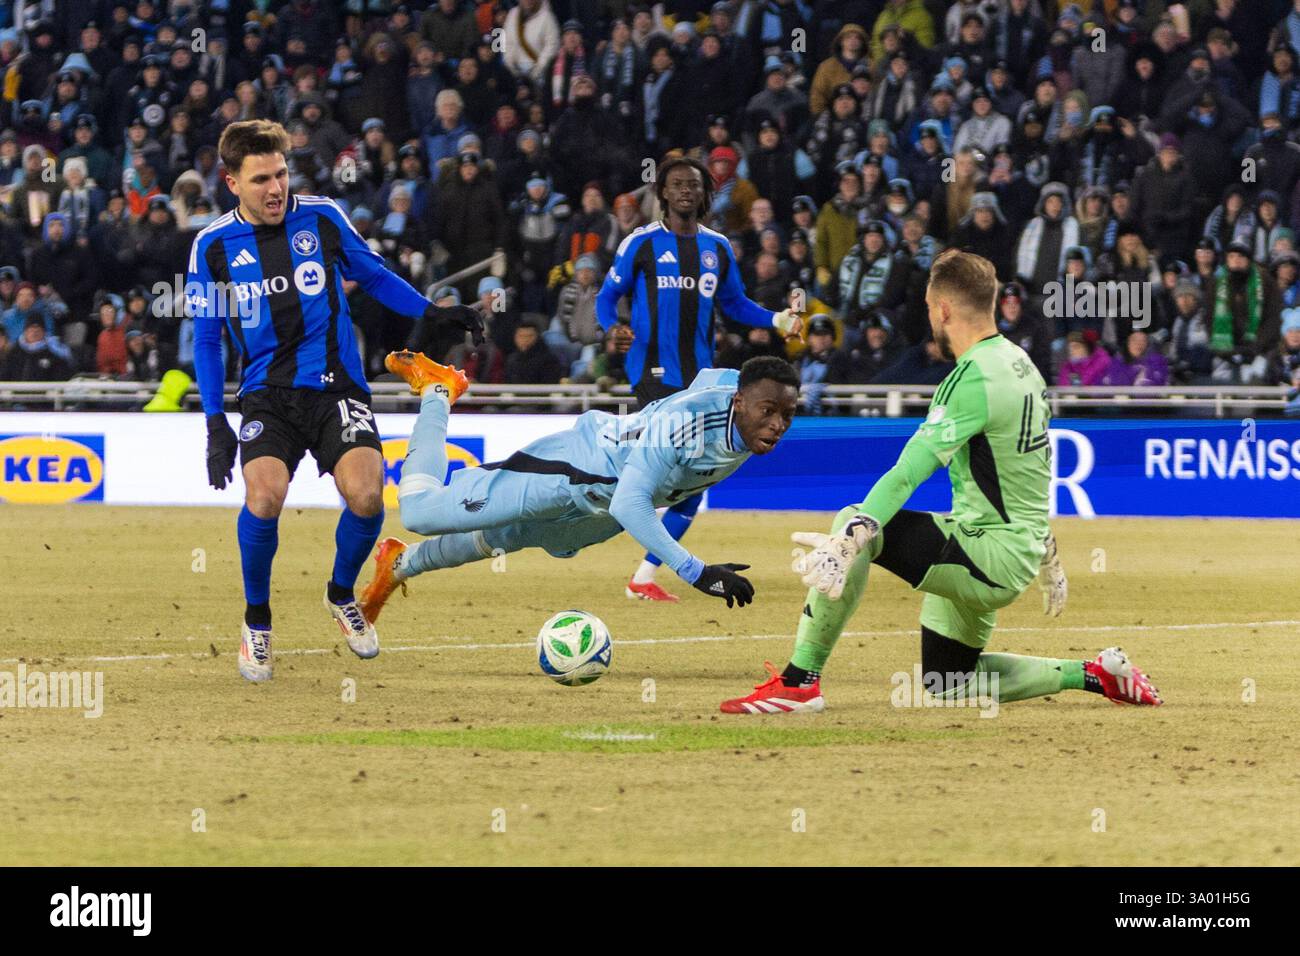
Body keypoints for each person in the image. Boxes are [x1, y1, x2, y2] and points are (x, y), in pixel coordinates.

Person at [721, 248, 1162, 715]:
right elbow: (1028, 464)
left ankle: (799, 683)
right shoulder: (1021, 364)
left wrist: (853, 537)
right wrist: (1045, 548)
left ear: (944, 309)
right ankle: (1095, 674)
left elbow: (911, 468)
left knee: (854, 519)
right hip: (1001, 549)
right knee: (949, 681)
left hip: (990, 555)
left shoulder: (972, 378)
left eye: (931, 307)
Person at [185, 119, 483, 683]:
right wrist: (213, 423)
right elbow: (206, 338)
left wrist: (432, 312)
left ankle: (341, 595)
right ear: (231, 183)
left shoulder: (320, 216)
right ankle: (257, 622)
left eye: (281, 173)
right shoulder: (212, 246)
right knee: (266, 496)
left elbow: (372, 276)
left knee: (368, 496)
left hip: (336, 387)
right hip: (266, 395)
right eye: (261, 180)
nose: (276, 189)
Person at [358, 353, 800, 623]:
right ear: (740, 403)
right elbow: (633, 503)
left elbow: (714, 377)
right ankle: (438, 390)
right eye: (768, 410)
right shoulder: (682, 427)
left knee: (501, 539)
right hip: (572, 470)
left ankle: (400, 563)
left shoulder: (740, 402)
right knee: (419, 512)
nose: (777, 425)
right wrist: (696, 572)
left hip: (600, 513)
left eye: (786, 413)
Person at [594, 155, 803, 602]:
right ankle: (641, 559)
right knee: (679, 474)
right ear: (663, 193)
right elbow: (607, 296)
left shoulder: (717, 248)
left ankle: (644, 575)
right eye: (677, 184)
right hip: (652, 373)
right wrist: (612, 328)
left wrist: (778, 320)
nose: (686, 190)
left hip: (703, 380)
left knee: (696, 481)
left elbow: (736, 304)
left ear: (705, 194)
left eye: (694, 184)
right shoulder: (641, 244)